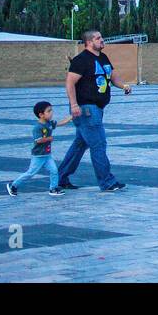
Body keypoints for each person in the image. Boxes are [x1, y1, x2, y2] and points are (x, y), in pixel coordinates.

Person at [57, 29, 131, 192]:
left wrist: (123, 86)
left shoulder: (103, 58)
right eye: (98, 38)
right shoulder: (81, 60)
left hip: (97, 108)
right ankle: (107, 182)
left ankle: (60, 178)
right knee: (99, 144)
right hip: (86, 109)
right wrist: (74, 105)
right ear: (89, 42)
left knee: (80, 145)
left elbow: (112, 76)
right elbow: (70, 83)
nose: (102, 40)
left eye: (101, 37)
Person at [6, 100, 71, 196]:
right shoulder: (37, 127)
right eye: (49, 111)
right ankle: (13, 186)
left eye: (51, 110)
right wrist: (49, 138)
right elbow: (38, 140)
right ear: (41, 115)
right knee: (31, 173)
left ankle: (53, 189)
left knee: (54, 170)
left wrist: (70, 118)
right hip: (39, 156)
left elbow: (60, 123)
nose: (52, 113)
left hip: (47, 155)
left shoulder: (49, 123)